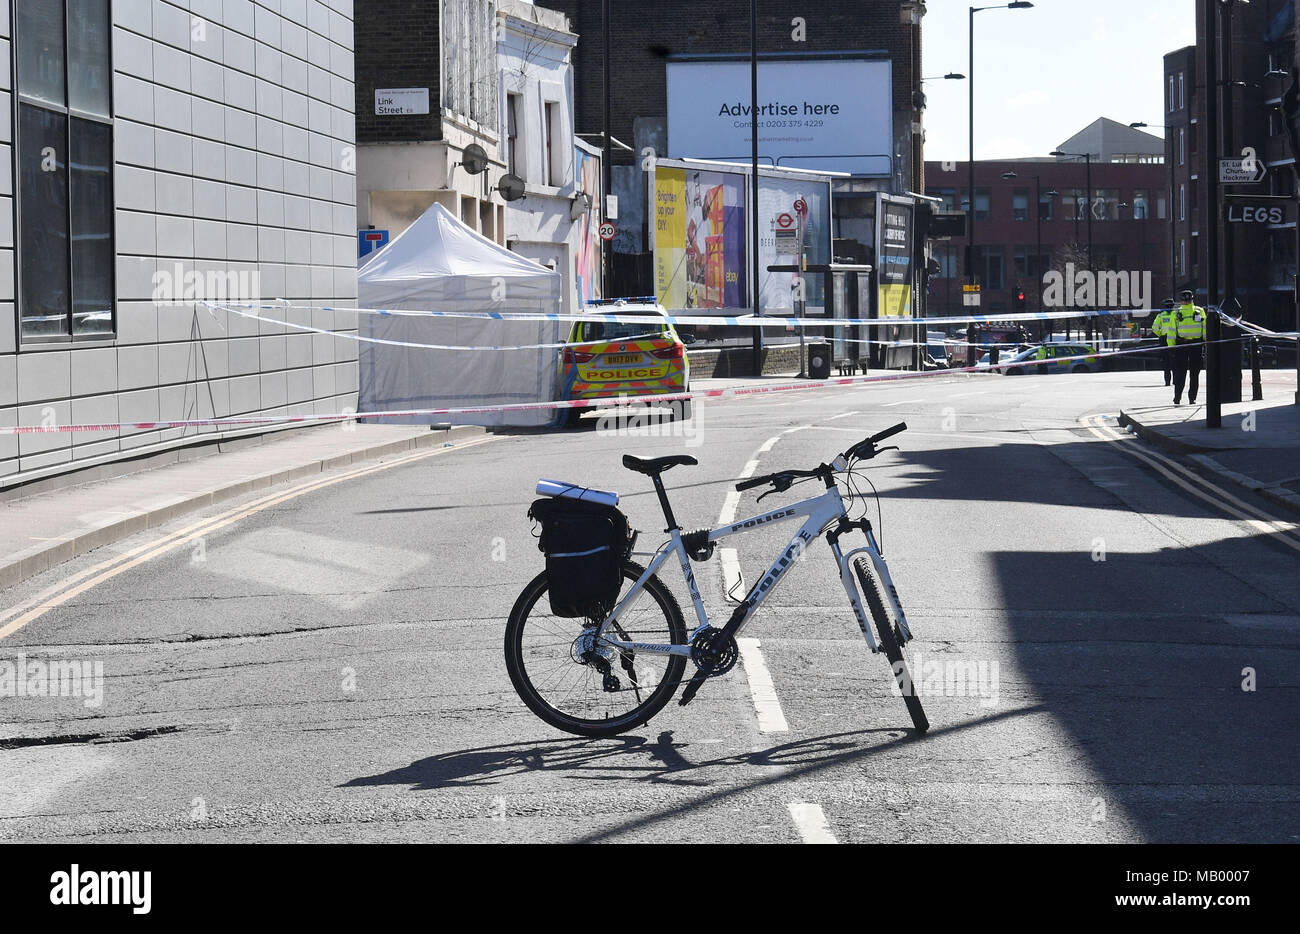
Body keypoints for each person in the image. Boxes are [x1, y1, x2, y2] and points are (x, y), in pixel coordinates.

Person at [1168, 290, 1206, 405]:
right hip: (1196, 345)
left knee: (1180, 372)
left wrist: (1171, 347)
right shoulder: (1200, 311)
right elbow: (1205, 329)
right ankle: (1192, 398)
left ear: (1181, 301)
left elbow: (1172, 332)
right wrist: (1206, 342)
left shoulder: (1176, 313)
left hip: (1181, 345)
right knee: (1194, 373)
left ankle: (1177, 397)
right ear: (1192, 299)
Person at [1151, 299, 1175, 386]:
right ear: (1173, 306)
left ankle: (1167, 381)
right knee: (1175, 361)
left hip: (1164, 340)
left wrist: (1160, 334)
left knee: (1166, 362)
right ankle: (1176, 381)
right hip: (1175, 339)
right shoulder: (1176, 314)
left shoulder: (1160, 316)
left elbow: (1154, 328)